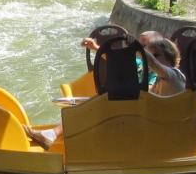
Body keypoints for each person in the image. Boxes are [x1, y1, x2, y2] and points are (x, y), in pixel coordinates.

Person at [22, 32, 187, 148]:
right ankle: (56, 135)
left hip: (160, 129)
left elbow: (150, 63)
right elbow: (125, 64)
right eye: (150, 54)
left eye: (156, 55)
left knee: (102, 106)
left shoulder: (174, 76)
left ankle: (56, 136)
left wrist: (136, 47)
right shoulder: (159, 76)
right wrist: (96, 48)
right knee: (99, 103)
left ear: (169, 56)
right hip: (151, 122)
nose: (149, 58)